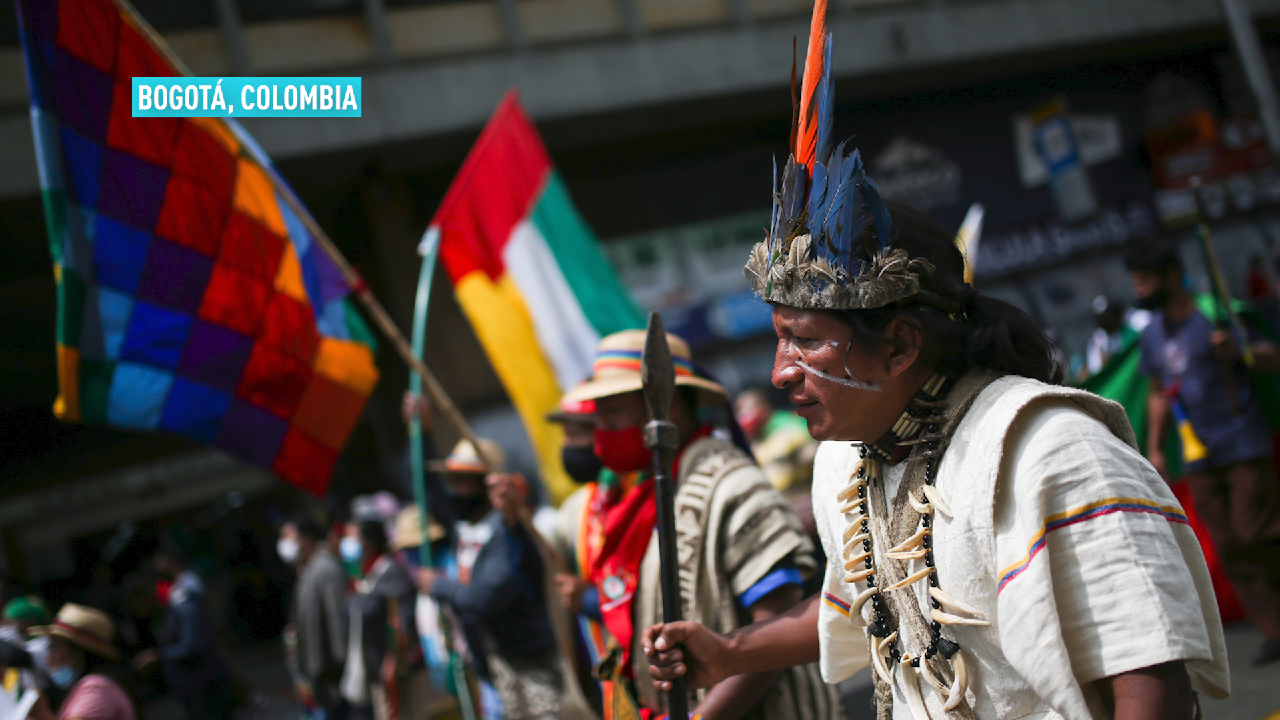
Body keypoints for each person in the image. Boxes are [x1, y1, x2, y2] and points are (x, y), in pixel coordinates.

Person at [640, 4, 1228, 717]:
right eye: (778, 339)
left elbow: (1147, 667)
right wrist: (731, 653)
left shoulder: (1050, 451)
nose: (780, 372)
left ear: (899, 346)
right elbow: (859, 601)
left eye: (805, 339)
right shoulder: (847, 463)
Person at [559, 330, 841, 720]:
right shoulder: (639, 500)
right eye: (599, 414)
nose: (601, 428)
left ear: (666, 404)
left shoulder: (732, 488)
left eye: (615, 412)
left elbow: (778, 626)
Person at [1125, 239, 1280, 666]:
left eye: (1145, 280)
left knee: (1258, 533)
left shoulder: (1216, 313)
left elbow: (1271, 358)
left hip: (1243, 442)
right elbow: (1158, 390)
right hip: (1198, 457)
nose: (1139, 290)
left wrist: (1241, 351)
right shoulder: (1153, 334)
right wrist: (1155, 447)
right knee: (1230, 544)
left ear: (1172, 276)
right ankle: (1272, 628)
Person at [414, 439, 562, 720]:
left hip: (532, 663)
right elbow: (431, 494)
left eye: (466, 480)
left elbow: (483, 600)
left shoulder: (506, 532)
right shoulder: (465, 527)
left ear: (488, 483)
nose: (457, 489)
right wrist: (425, 430)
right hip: (496, 666)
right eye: (453, 479)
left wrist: (438, 585)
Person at [138, 546, 236, 720]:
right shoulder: (179, 595)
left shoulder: (186, 597)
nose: (157, 569)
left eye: (160, 564)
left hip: (202, 681)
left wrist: (159, 656)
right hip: (198, 683)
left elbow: (192, 644)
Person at [339, 519, 417, 720]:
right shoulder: (361, 576)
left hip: (398, 672)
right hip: (376, 673)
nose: (347, 542)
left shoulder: (389, 572)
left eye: (353, 537)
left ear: (370, 541)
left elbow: (404, 619)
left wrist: (394, 657)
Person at [279, 515, 350, 720]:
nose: (284, 544)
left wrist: (341, 672)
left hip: (333, 681)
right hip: (321, 680)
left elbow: (339, 628)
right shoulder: (307, 571)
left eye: (289, 537)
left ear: (306, 539)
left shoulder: (325, 569)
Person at [27, 604, 136, 720]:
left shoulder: (96, 688)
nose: (48, 658)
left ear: (78, 654)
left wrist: (41, 714)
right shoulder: (86, 687)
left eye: (54, 648)